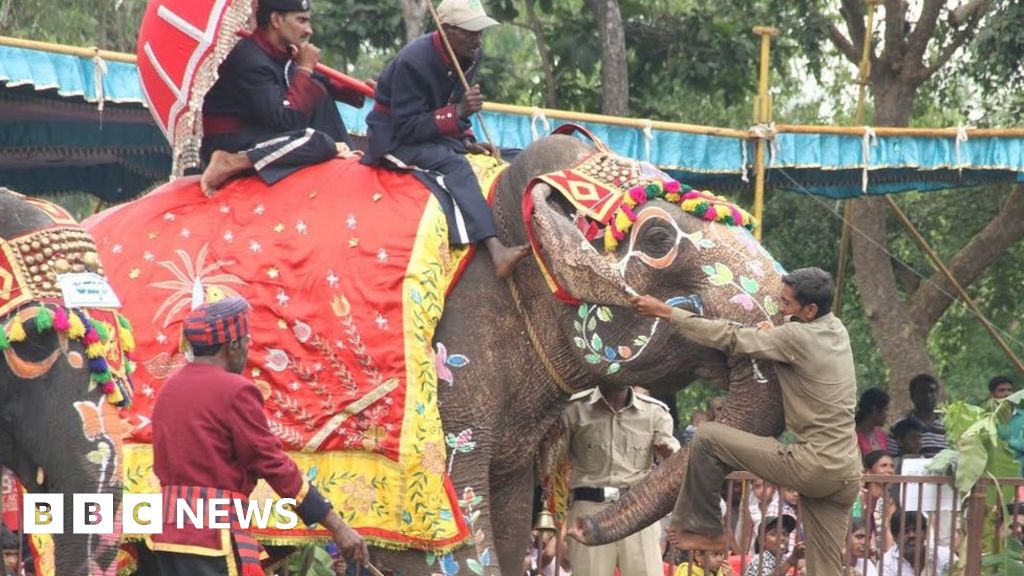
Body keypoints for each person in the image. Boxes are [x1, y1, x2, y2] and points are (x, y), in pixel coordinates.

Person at [629, 267, 861, 576]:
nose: (780, 308)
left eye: (786, 304)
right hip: (846, 472)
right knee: (826, 571)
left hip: (813, 464)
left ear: (810, 310)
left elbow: (732, 337)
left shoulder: (796, 337)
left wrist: (668, 312)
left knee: (708, 437)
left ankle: (704, 527)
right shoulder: (837, 330)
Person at [151, 297, 367, 575]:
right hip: (212, 537)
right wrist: (336, 525)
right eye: (246, 342)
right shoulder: (235, 390)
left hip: (168, 533)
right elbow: (271, 462)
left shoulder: (169, 389)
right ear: (233, 345)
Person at [362, 0, 530, 278]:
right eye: (470, 31)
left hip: (432, 133)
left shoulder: (473, 55)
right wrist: (459, 112)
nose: (478, 39)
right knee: (455, 167)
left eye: (480, 31)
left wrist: (466, 139)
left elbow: (452, 102)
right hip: (395, 139)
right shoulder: (413, 62)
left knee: (505, 154)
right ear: (446, 29)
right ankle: (495, 249)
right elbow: (407, 127)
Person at [199, 0, 367, 195]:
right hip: (235, 141)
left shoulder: (286, 54)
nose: (309, 30)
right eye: (301, 20)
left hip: (268, 134)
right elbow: (286, 119)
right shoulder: (249, 58)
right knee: (317, 141)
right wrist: (304, 69)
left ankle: (347, 163)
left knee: (319, 94)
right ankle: (230, 162)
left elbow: (329, 85)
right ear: (276, 20)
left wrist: (369, 90)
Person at [560, 384, 680, 576]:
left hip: (638, 509)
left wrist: (668, 455)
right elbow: (554, 460)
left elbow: (675, 459)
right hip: (589, 509)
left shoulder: (655, 412)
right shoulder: (574, 409)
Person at [887, 375, 947, 458]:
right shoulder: (898, 427)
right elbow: (892, 460)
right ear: (912, 396)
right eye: (922, 392)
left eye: (932, 391)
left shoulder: (949, 426)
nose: (928, 396)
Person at [880, 511, 950, 576]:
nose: (912, 535)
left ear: (926, 533)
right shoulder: (887, 563)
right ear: (895, 538)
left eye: (916, 529)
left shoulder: (944, 557)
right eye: (906, 531)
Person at [854, 388, 890, 456]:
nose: (887, 414)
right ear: (875, 410)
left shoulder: (881, 435)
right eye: (885, 409)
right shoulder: (853, 436)